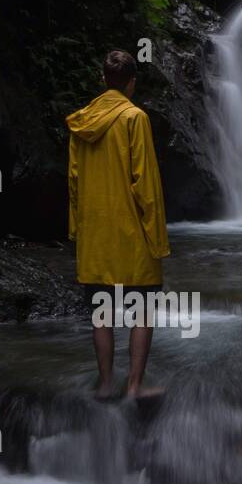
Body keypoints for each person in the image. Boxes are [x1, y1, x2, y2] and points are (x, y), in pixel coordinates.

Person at [66, 50, 170, 399]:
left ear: (102, 79)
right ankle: (135, 386)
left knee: (101, 313)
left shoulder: (81, 122)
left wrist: (76, 230)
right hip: (132, 235)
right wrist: (157, 238)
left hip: (96, 235)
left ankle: (107, 384)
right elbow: (147, 182)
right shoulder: (134, 118)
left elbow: (74, 181)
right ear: (132, 82)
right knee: (142, 310)